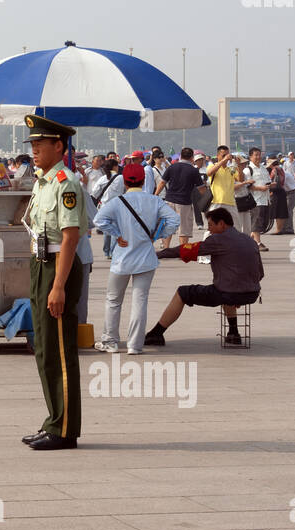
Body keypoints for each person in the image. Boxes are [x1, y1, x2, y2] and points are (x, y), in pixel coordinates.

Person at [20, 115, 84, 451]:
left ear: (58, 146)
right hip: (41, 263)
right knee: (44, 347)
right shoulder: (42, 182)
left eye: (38, 144)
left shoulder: (65, 183)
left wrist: (58, 286)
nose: (33, 151)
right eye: (31, 145)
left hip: (59, 266)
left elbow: (71, 237)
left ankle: (65, 429)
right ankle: (53, 420)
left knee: (60, 350)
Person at [92, 163, 180, 354]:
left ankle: (110, 341)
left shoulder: (117, 202)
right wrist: (156, 235)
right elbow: (174, 220)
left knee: (113, 300)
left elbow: (98, 220)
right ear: (144, 180)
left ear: (124, 181)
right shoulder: (154, 201)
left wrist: (117, 234)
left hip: (122, 258)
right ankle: (135, 345)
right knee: (140, 301)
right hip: (146, 258)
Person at [145, 207, 264, 347]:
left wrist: (159, 254)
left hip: (228, 293)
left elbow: (185, 249)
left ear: (221, 224)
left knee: (183, 292)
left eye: (211, 225)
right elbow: (260, 273)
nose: (209, 230)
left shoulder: (218, 240)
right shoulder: (249, 240)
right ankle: (233, 333)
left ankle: (156, 334)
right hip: (252, 293)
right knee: (227, 287)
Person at [154, 147, 202, 247]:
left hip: (169, 200)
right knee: (184, 228)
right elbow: (201, 189)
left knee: (168, 225)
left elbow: (162, 182)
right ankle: (182, 250)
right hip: (184, 202)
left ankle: (166, 249)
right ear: (192, 157)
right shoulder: (193, 170)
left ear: (181, 156)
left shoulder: (172, 167)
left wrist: (155, 195)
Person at [205, 145, 240, 229]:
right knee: (212, 227)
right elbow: (209, 173)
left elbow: (240, 179)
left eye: (227, 155)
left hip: (230, 202)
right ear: (218, 156)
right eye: (223, 155)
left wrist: (239, 166)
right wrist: (224, 160)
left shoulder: (231, 168)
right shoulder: (212, 165)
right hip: (216, 201)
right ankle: (207, 242)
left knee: (236, 227)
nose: (226, 157)